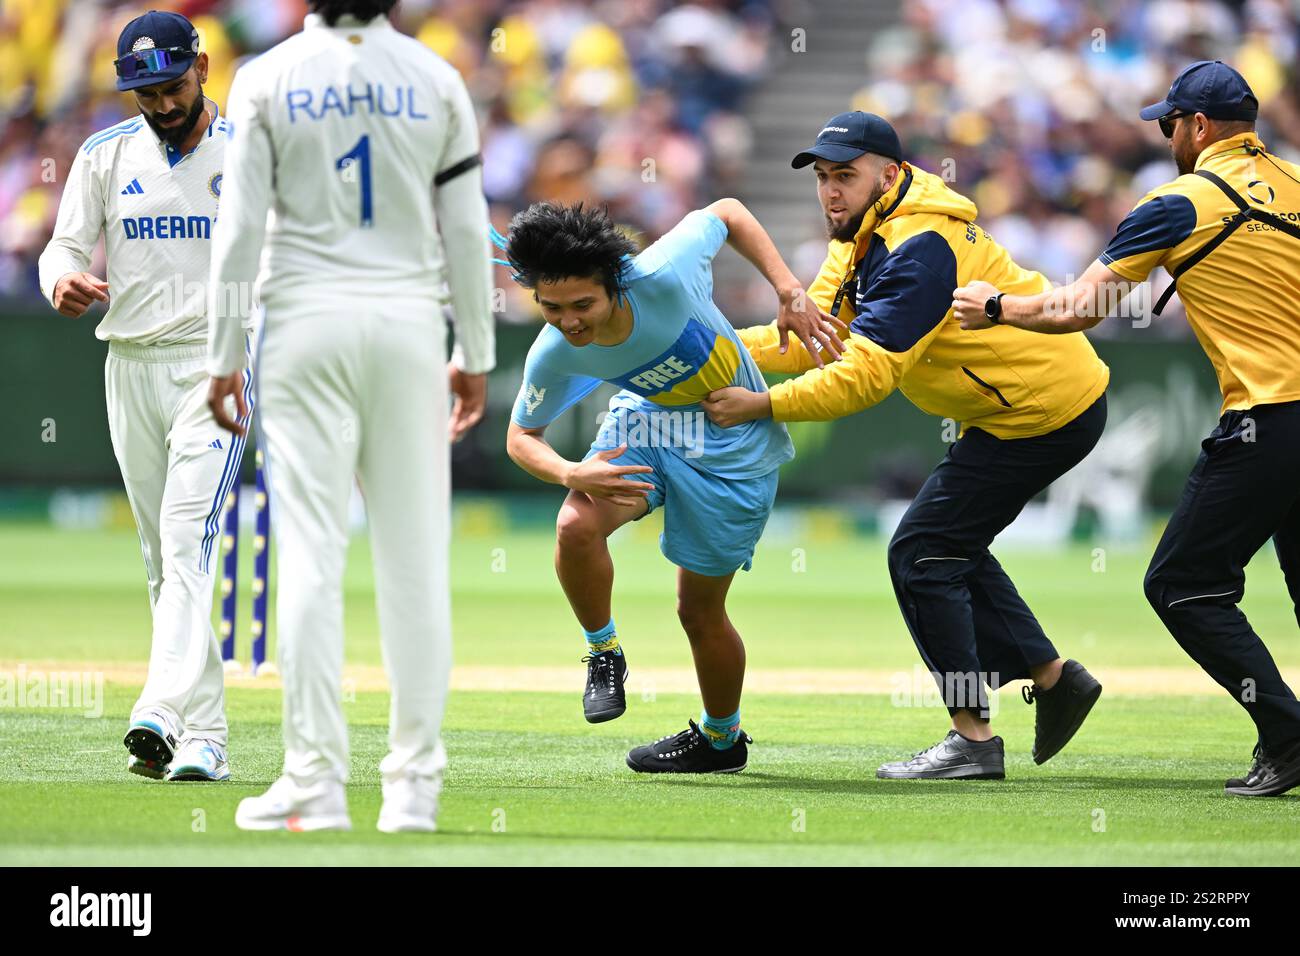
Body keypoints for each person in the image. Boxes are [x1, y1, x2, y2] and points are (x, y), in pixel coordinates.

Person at [706, 112, 1106, 780]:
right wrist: (711, 352)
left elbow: (863, 377)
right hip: (1022, 408)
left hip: (1043, 411)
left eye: (846, 177)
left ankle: (974, 740)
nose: (831, 192)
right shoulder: (865, 230)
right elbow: (817, 335)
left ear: (888, 175)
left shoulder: (918, 248)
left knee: (921, 552)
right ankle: (1054, 677)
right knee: (946, 546)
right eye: (825, 178)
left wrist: (762, 402)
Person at [953, 61, 1300, 797]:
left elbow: (1078, 308)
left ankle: (1288, 736)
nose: (1167, 136)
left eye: (1169, 123)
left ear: (1197, 127)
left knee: (1184, 584)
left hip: (1270, 417)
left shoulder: (1179, 202)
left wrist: (993, 308)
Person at [205, 0, 495, 831]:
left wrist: (221, 351)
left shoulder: (265, 77)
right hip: (409, 325)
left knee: (310, 555)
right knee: (416, 562)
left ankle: (315, 783)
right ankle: (413, 790)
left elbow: (238, 230)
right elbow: (467, 227)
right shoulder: (436, 77)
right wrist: (474, 351)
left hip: (302, 322)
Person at [502, 199, 803, 773]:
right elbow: (521, 437)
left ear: (615, 283)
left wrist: (788, 289)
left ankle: (721, 741)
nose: (569, 322)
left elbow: (732, 211)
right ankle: (603, 654)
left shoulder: (664, 272)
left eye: (583, 304)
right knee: (575, 524)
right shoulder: (555, 349)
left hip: (731, 443)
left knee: (699, 612)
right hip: (646, 422)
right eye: (551, 308)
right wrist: (571, 472)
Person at [38, 11, 240, 783]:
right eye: (144, 91)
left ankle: (157, 705)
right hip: (128, 361)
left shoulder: (249, 154)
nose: (160, 104)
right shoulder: (105, 153)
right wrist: (59, 277)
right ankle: (205, 739)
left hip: (215, 365)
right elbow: (62, 243)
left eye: (172, 85)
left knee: (189, 537)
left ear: (204, 68)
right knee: (164, 557)